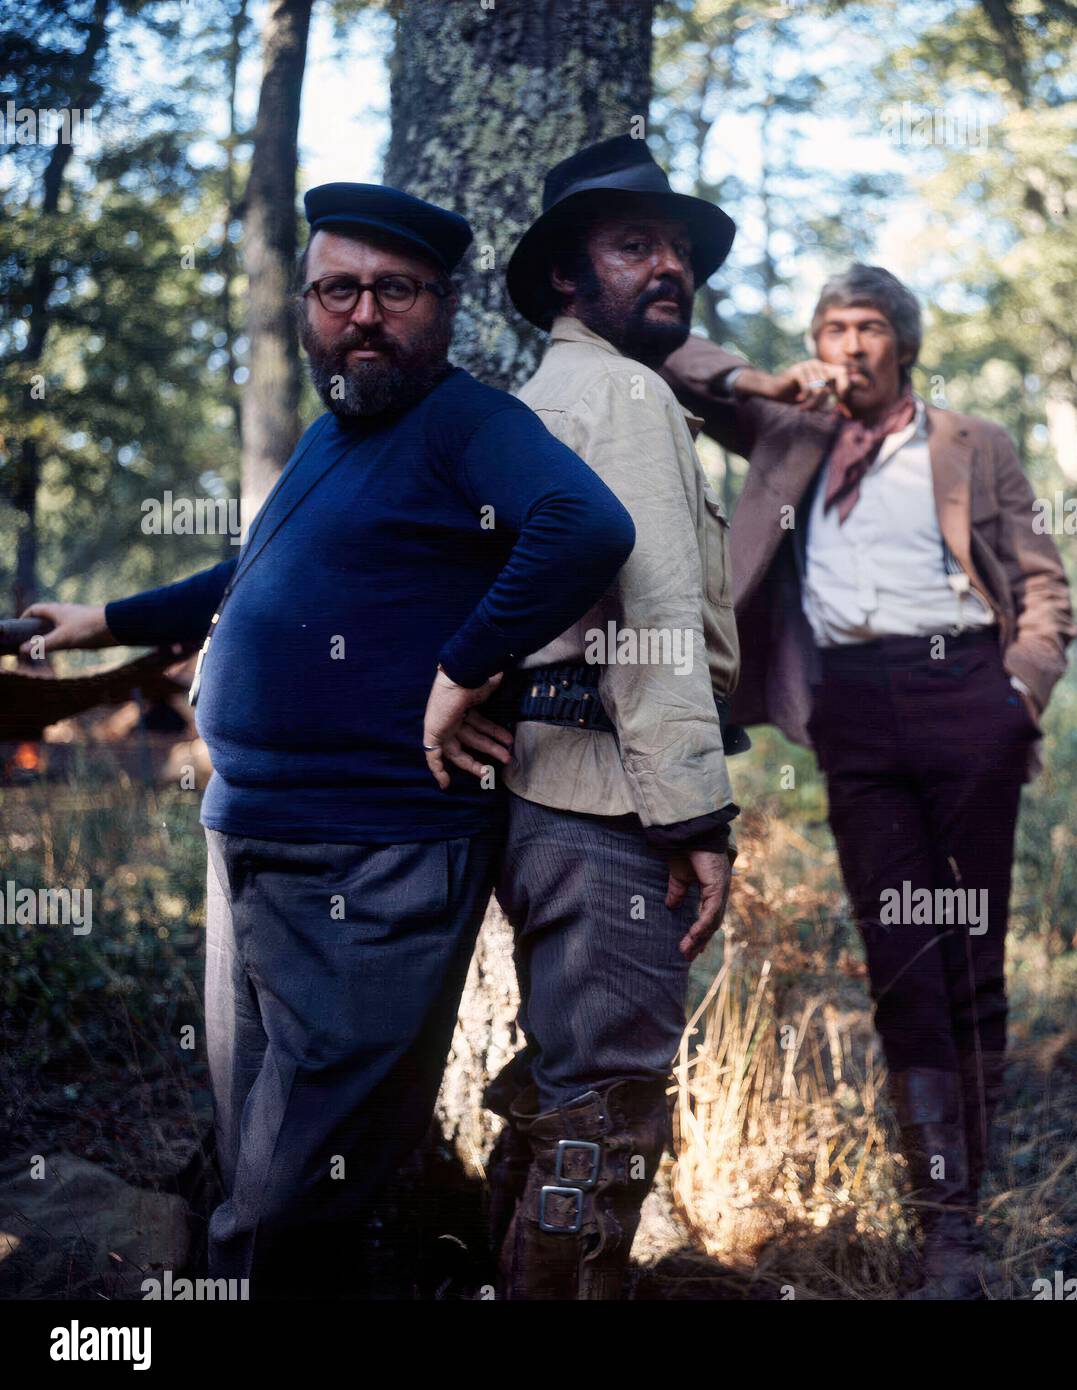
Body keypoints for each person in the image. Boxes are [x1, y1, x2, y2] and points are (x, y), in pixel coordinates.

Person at [21, 182, 635, 1298]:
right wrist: (102, 621)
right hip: (248, 838)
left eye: (392, 291)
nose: (362, 314)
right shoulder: (331, 435)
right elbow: (248, 577)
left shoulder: (469, 425)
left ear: (442, 306)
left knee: (291, 1182)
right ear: (306, 306)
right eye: (337, 289)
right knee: (255, 1147)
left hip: (375, 855)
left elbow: (587, 526)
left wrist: (464, 665)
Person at [660, 264, 1077, 1297]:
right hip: (852, 710)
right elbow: (670, 361)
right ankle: (938, 1221)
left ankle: (965, 1227)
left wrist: (1019, 693)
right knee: (900, 955)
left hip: (967, 698)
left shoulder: (969, 441)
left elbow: (1039, 578)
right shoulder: (790, 433)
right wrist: (764, 375)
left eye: (871, 327)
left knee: (969, 951)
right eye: (835, 327)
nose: (852, 345)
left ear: (905, 342)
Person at [475, 135, 743, 1299]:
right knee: (611, 1103)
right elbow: (654, 617)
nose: (668, 268)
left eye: (678, 251)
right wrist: (695, 811)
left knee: (567, 1082)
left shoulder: (544, 396)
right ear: (567, 281)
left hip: (547, 793)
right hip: (610, 801)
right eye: (635, 246)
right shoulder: (628, 394)